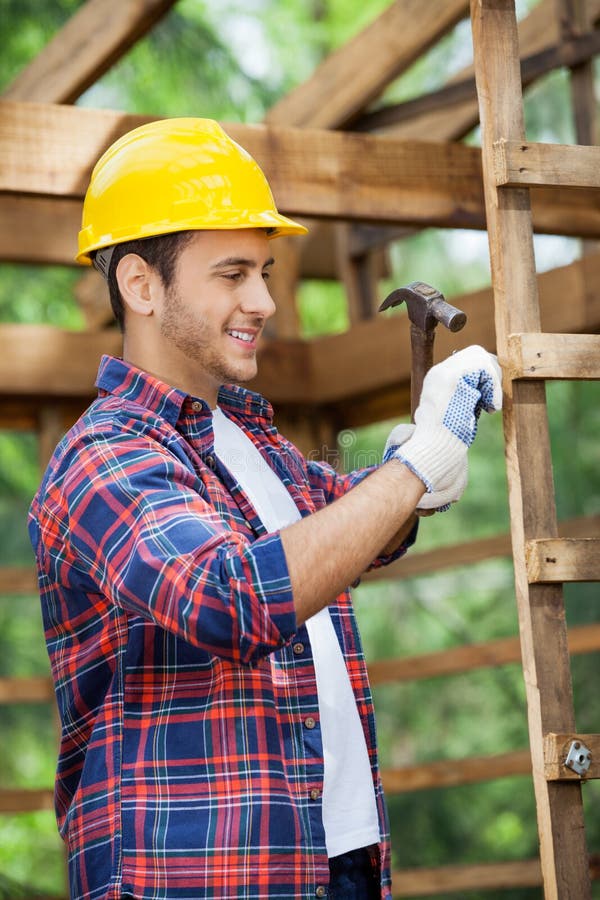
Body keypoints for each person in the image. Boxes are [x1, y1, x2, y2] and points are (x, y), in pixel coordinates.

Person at [28, 118, 502, 900]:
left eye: (267, 271)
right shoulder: (105, 457)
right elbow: (231, 597)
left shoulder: (248, 435)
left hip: (334, 854)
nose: (266, 301)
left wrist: (413, 470)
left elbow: (346, 524)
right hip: (199, 878)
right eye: (233, 273)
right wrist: (419, 464)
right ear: (141, 285)